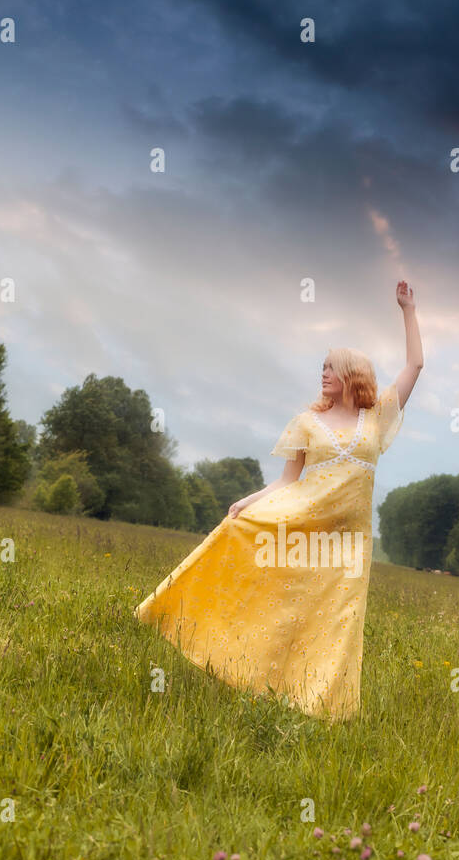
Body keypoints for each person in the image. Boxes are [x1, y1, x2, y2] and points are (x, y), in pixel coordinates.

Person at [134, 281, 424, 717]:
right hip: (302, 528)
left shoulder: (377, 417)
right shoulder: (306, 422)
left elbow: (416, 363)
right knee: (284, 610)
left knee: (336, 622)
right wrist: (248, 502)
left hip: (349, 542)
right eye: (320, 367)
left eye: (330, 367)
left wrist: (408, 308)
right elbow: (287, 481)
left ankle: (320, 709)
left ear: (352, 374)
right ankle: (253, 676)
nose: (322, 373)